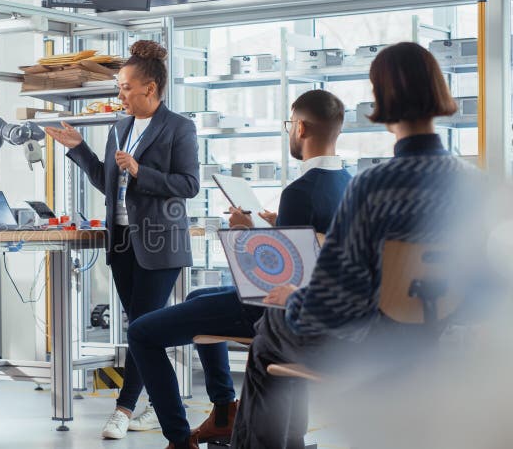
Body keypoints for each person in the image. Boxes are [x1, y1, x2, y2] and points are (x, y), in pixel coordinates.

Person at [231, 42, 468, 449]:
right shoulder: (469, 182)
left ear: (382, 100)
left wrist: (292, 298)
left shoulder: (374, 186)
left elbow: (335, 300)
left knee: (268, 333)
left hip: (370, 347)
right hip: (435, 344)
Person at [126, 89, 352, 449]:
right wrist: (273, 227)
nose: (290, 132)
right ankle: (223, 411)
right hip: (318, 307)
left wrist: (247, 232)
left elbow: (278, 277)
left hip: (273, 311)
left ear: (301, 128)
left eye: (289, 125)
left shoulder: (300, 191)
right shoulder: (348, 183)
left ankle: (179, 439)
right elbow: (314, 251)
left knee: (141, 332)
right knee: (198, 295)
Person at [44, 40, 200, 439]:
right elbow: (107, 181)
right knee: (144, 332)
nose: (120, 95)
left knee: (140, 331)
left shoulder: (179, 127)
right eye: (119, 87)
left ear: (150, 88)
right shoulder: (119, 128)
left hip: (160, 243)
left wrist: (140, 171)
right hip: (122, 241)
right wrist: (80, 150)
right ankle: (165, 405)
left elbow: (189, 184)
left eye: (126, 87)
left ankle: (123, 408)